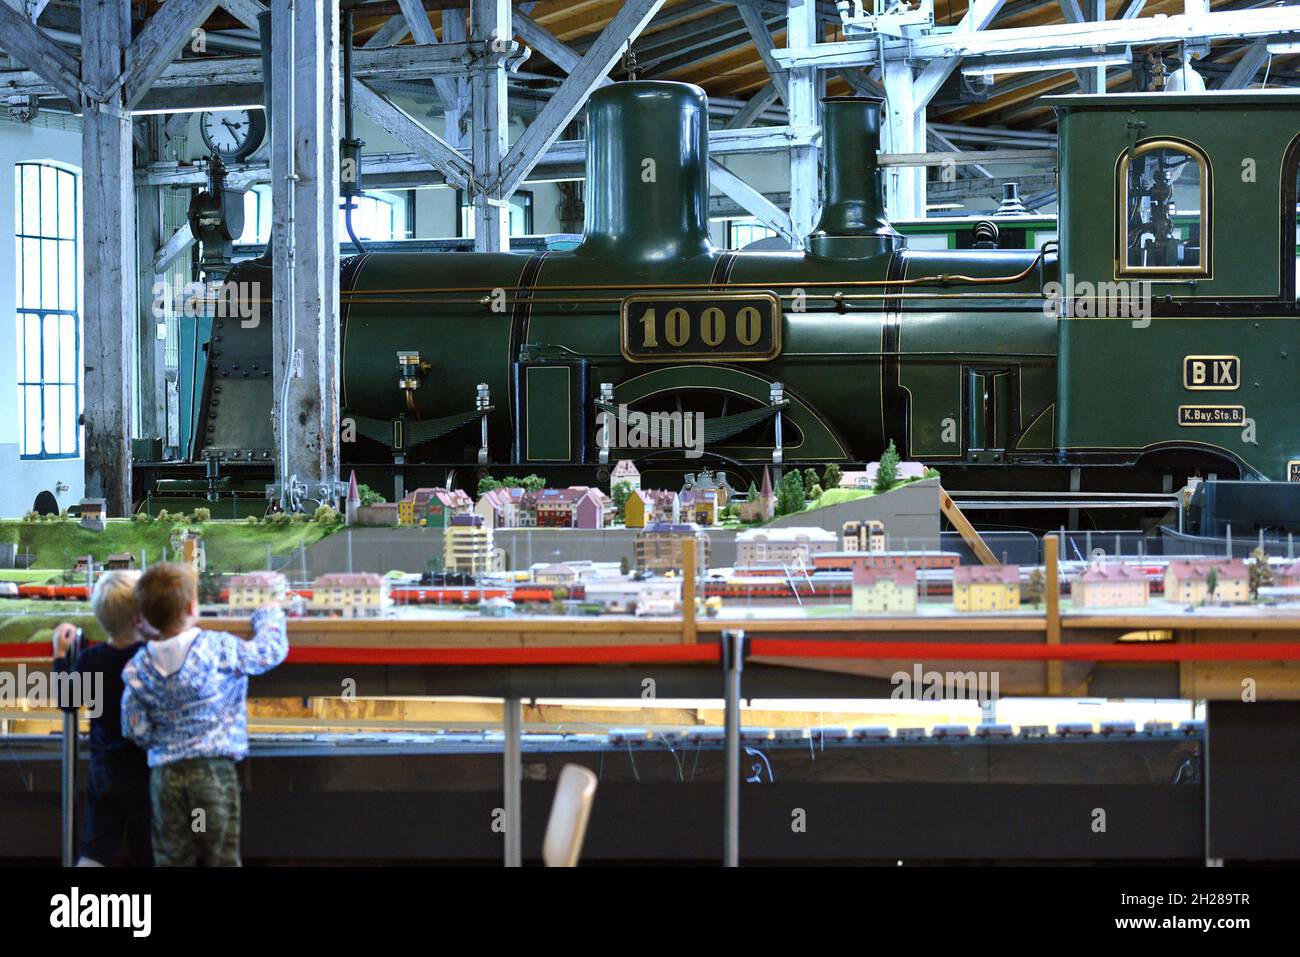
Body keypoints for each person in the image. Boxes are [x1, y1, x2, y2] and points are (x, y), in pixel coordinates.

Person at [121, 562, 287, 866]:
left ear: (144, 618)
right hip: (213, 774)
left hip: (165, 778)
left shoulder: (138, 667)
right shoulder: (216, 647)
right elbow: (268, 651)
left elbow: (135, 727)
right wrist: (270, 615)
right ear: (191, 607)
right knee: (220, 856)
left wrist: (163, 740)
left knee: (172, 858)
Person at [52, 571, 152, 866]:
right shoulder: (150, 657)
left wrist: (59, 655)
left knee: (95, 849)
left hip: (104, 770)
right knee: (149, 851)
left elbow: (67, 701)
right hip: (146, 772)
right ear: (140, 616)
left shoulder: (90, 660)